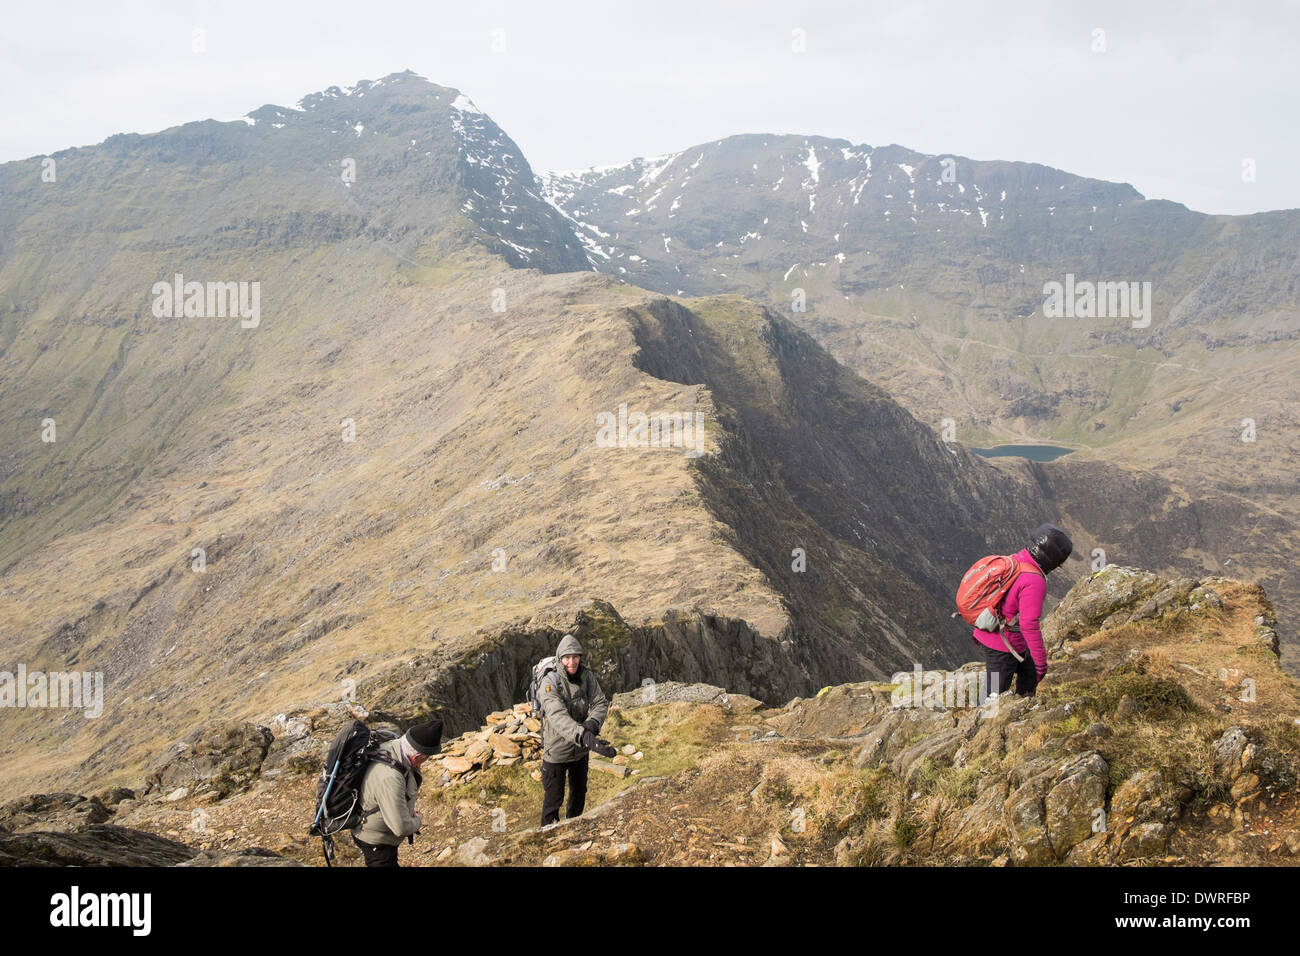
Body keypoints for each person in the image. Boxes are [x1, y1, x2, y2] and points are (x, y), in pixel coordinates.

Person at [972, 525, 1076, 699]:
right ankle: (985, 722)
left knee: (1029, 672)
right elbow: (1029, 624)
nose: (1061, 565)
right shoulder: (1034, 581)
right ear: (1053, 559)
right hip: (1001, 645)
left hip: (1000, 636)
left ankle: (1022, 707)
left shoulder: (1016, 559)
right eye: (1061, 561)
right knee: (993, 700)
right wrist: (1041, 663)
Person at [538, 634, 616, 826]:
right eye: (566, 657)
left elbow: (600, 701)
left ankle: (573, 827)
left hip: (580, 751)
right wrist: (586, 737)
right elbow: (558, 717)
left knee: (579, 793)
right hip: (557, 751)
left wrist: (592, 725)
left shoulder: (586, 676)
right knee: (553, 799)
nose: (571, 662)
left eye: (575, 656)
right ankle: (547, 838)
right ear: (559, 659)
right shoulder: (549, 683)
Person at [350, 718, 442, 867]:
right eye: (425, 759)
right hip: (375, 839)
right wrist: (418, 820)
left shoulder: (390, 745)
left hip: (372, 825)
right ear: (417, 757)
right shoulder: (391, 777)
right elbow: (400, 828)